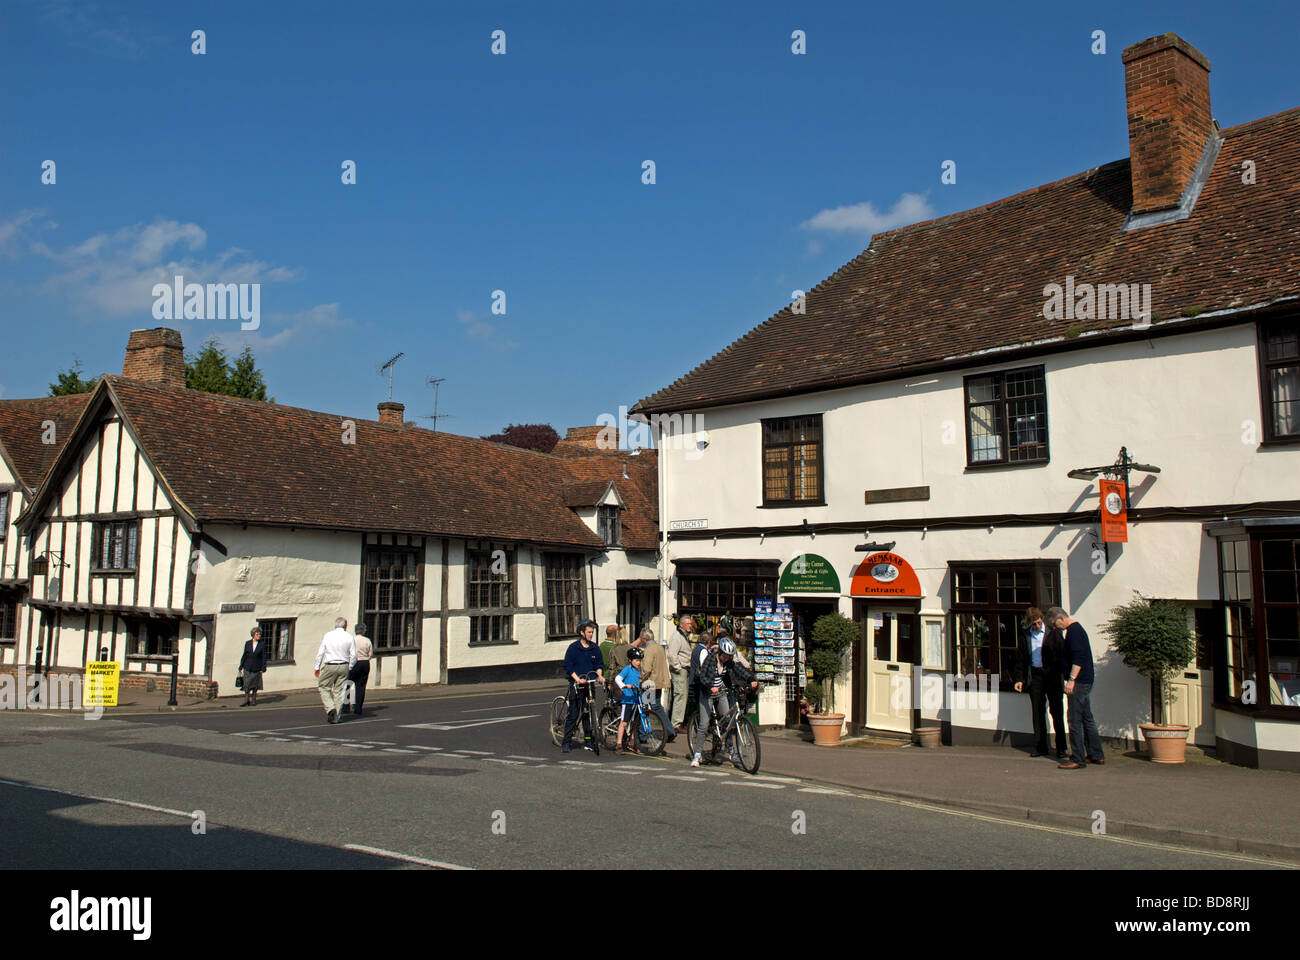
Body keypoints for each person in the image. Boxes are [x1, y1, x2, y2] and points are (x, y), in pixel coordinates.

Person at [1047, 606, 1105, 769]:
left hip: (1079, 682)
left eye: (1054, 624)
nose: (1054, 628)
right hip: (1085, 680)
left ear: (1060, 618)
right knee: (1087, 717)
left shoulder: (1074, 632)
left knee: (1074, 719)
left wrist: (1071, 680)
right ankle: (1096, 754)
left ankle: (1077, 758)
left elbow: (1078, 658)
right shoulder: (1077, 630)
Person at [1014, 607, 1068, 758]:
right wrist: (1019, 679)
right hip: (1035, 675)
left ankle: (1061, 747)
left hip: (1052, 675)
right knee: (1037, 712)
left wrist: (1065, 677)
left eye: (1038, 623)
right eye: (1034, 625)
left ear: (1042, 620)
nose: (1037, 627)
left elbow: (1062, 655)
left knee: (1056, 711)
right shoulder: (1025, 636)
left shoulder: (1053, 633)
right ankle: (1040, 746)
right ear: (1029, 624)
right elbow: (1021, 659)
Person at [561, 618, 605, 753]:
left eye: (592, 632)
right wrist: (577, 679)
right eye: (589, 632)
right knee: (573, 713)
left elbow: (598, 665)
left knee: (588, 713)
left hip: (589, 684)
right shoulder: (574, 648)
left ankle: (588, 740)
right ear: (582, 632)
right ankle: (566, 741)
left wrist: (600, 676)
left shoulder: (594, 648)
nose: (591, 634)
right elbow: (568, 666)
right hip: (577, 684)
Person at [634, 626, 675, 741]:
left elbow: (646, 669)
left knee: (644, 708)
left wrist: (640, 680)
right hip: (659, 682)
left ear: (643, 638)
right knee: (657, 707)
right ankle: (669, 730)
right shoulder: (659, 647)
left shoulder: (649, 649)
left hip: (649, 683)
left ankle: (643, 735)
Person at [689, 630, 723, 767]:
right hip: (703, 686)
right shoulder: (704, 652)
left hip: (699, 684)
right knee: (705, 719)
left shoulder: (696, 649)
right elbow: (705, 669)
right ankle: (700, 748)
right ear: (709, 642)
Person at [314, 617, 357, 724]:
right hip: (344, 665)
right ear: (345, 626)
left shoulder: (328, 635)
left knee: (323, 686)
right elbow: (354, 655)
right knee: (339, 691)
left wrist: (317, 667)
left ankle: (330, 708)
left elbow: (321, 652)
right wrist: (350, 666)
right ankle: (336, 716)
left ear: (335, 625)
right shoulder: (349, 637)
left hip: (330, 664)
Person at [614, 646, 644, 754]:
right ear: (630, 660)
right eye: (636, 660)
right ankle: (618, 744)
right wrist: (624, 686)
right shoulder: (627, 669)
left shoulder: (638, 671)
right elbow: (617, 678)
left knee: (635, 722)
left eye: (639, 660)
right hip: (628, 699)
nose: (638, 663)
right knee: (624, 722)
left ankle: (633, 743)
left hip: (636, 698)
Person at [668, 614, 694, 732]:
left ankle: (677, 722)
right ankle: (675, 724)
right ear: (682, 624)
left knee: (681, 696)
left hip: (685, 669)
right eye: (688, 624)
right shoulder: (677, 636)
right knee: (680, 695)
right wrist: (678, 668)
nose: (690, 626)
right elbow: (672, 654)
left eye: (690, 623)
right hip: (680, 670)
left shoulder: (684, 636)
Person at [346, 622, 373, 717]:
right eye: (365, 629)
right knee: (360, 686)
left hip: (353, 663)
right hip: (364, 663)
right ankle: (358, 708)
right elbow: (370, 654)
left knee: (348, 683)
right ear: (363, 630)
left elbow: (347, 652)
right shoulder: (367, 640)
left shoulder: (351, 640)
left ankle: (346, 706)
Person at [239, 626, 266, 707]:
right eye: (257, 634)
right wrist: (241, 666)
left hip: (257, 667)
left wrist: (263, 667)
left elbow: (264, 657)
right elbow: (244, 655)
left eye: (260, 634)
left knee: (255, 685)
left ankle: (253, 700)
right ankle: (246, 700)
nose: (259, 636)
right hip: (247, 666)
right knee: (246, 684)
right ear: (253, 635)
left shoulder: (262, 644)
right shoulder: (247, 643)